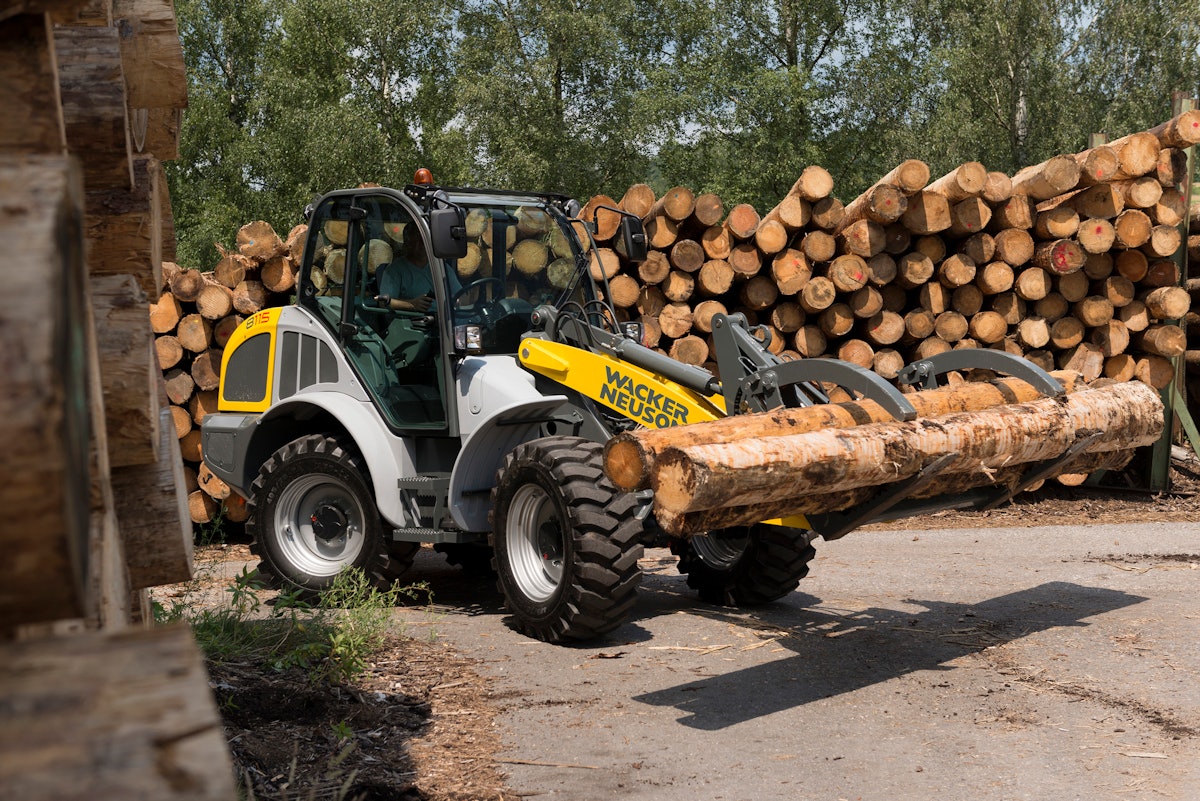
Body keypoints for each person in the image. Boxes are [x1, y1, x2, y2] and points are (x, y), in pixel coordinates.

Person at [375, 235, 435, 312]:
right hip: (412, 318)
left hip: (444, 316)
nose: (419, 245)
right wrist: (412, 304)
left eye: (422, 241)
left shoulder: (441, 268)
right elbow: (383, 302)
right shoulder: (394, 270)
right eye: (415, 241)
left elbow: (451, 295)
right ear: (408, 244)